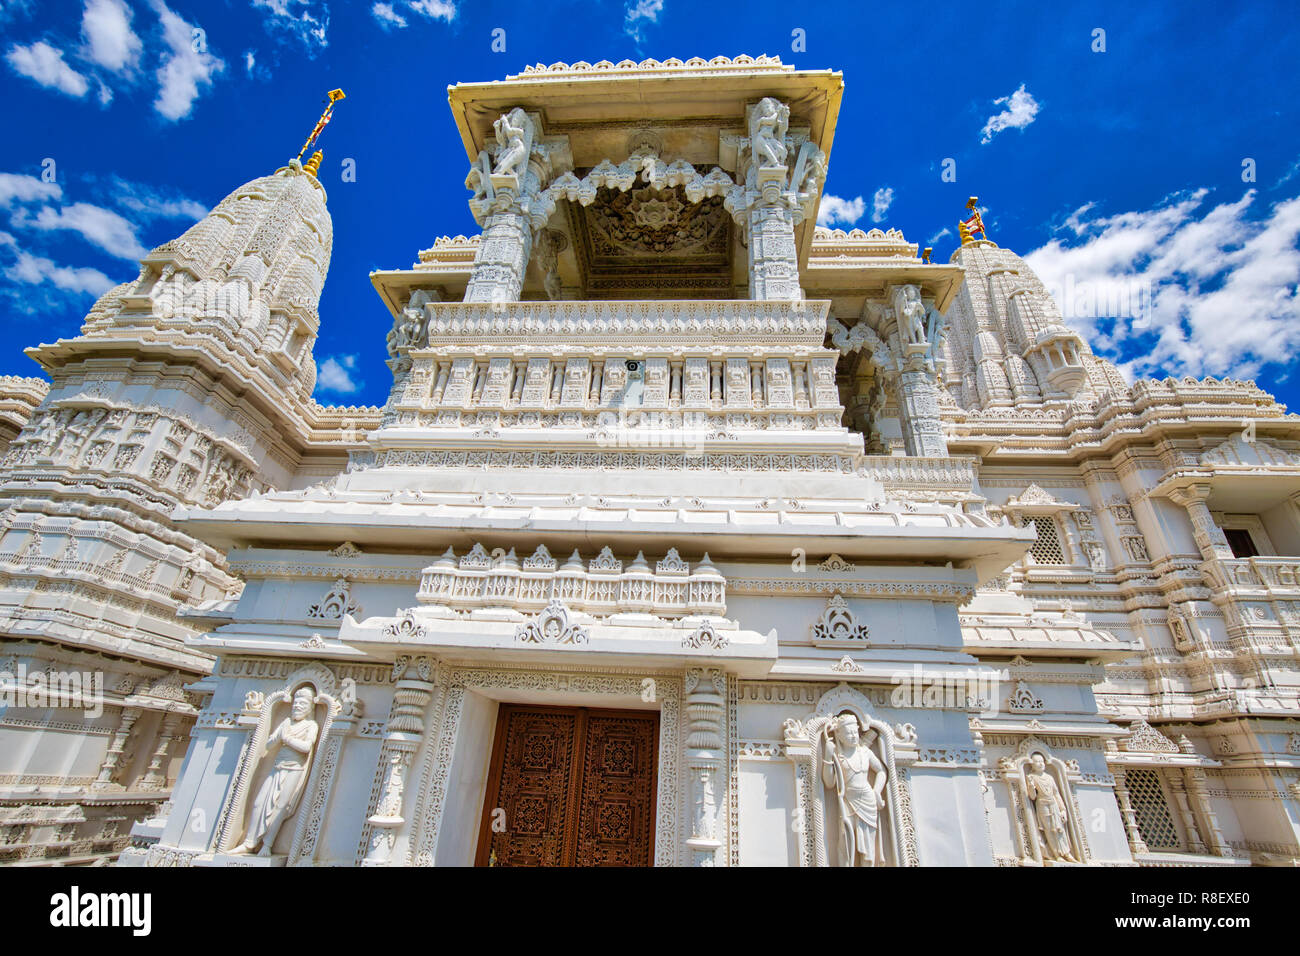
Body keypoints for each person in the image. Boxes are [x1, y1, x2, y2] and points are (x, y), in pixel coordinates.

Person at [233, 686, 319, 856]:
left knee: (282, 806)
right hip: (277, 766)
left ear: (310, 708)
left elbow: (307, 746)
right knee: (259, 803)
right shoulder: (286, 722)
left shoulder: (311, 725)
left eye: (303, 704)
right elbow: (269, 743)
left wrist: (287, 738)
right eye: (296, 703)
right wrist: (280, 737)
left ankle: (267, 845)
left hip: (294, 769)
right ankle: (250, 842)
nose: (297, 706)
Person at [822, 713, 887, 866]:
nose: (853, 736)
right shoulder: (838, 755)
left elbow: (881, 771)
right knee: (845, 842)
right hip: (847, 801)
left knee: (868, 849)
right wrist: (828, 756)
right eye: (848, 733)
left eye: (855, 732)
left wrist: (877, 791)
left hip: (868, 800)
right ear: (839, 734)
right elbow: (830, 782)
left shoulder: (865, 752)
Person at [1026, 754, 1077, 862]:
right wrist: (1031, 785)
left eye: (1042, 761)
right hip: (1042, 805)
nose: (1040, 764)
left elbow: (1056, 794)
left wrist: (1063, 809)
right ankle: (1056, 855)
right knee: (1049, 830)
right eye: (1037, 762)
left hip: (1053, 804)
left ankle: (1066, 853)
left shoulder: (1049, 777)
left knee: (1060, 829)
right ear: (1033, 764)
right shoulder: (1032, 777)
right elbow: (1033, 796)